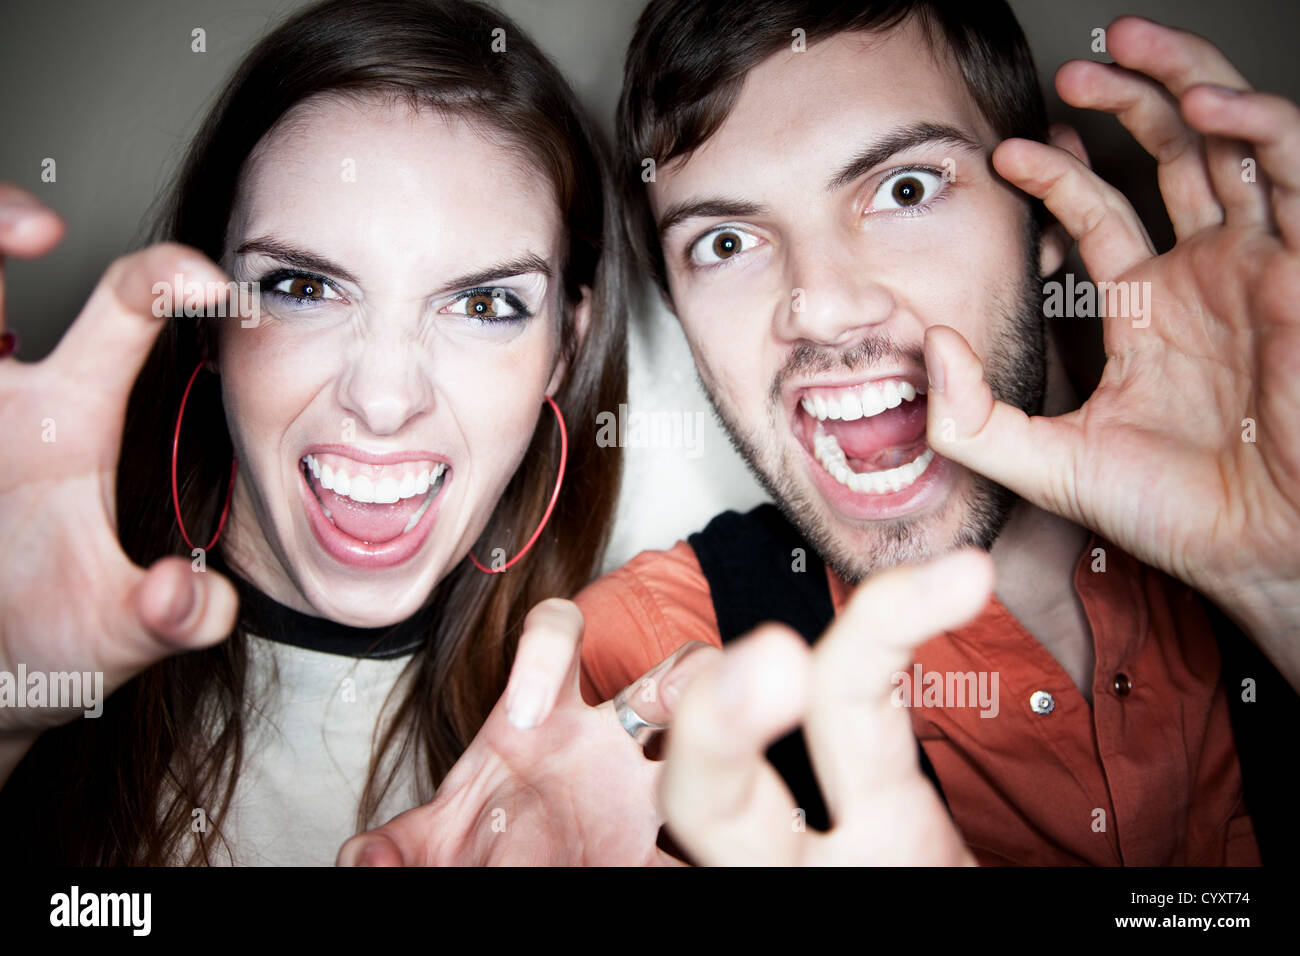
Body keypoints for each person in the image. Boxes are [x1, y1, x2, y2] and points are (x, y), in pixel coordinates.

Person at [569, 1, 1299, 866]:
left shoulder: (1274, 513)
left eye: (904, 189)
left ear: (1051, 212)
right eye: (726, 242)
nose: (823, 308)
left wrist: (1282, 590)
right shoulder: (636, 670)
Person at [0, 0, 696, 866]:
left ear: (567, 347)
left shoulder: (626, 750)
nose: (383, 397)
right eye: (302, 288)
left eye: (483, 305)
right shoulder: (38, 663)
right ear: (207, 314)